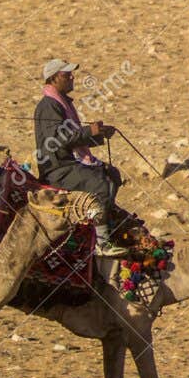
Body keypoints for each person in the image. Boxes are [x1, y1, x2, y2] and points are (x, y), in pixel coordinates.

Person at [32, 59, 127, 255]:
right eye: (67, 75)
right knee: (99, 183)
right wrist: (88, 131)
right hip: (57, 168)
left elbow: (72, 139)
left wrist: (98, 134)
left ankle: (102, 222)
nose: (72, 77)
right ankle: (101, 241)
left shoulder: (61, 103)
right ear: (54, 78)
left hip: (68, 163)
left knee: (112, 174)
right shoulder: (49, 105)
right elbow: (56, 139)